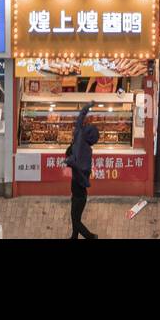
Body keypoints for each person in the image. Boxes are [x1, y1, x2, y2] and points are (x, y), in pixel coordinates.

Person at [66, 101, 99, 240]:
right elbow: (84, 169)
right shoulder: (87, 150)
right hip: (78, 189)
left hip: (79, 189)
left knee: (75, 219)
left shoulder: (78, 133)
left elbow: (82, 169)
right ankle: (74, 237)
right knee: (75, 216)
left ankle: (91, 237)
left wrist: (88, 106)